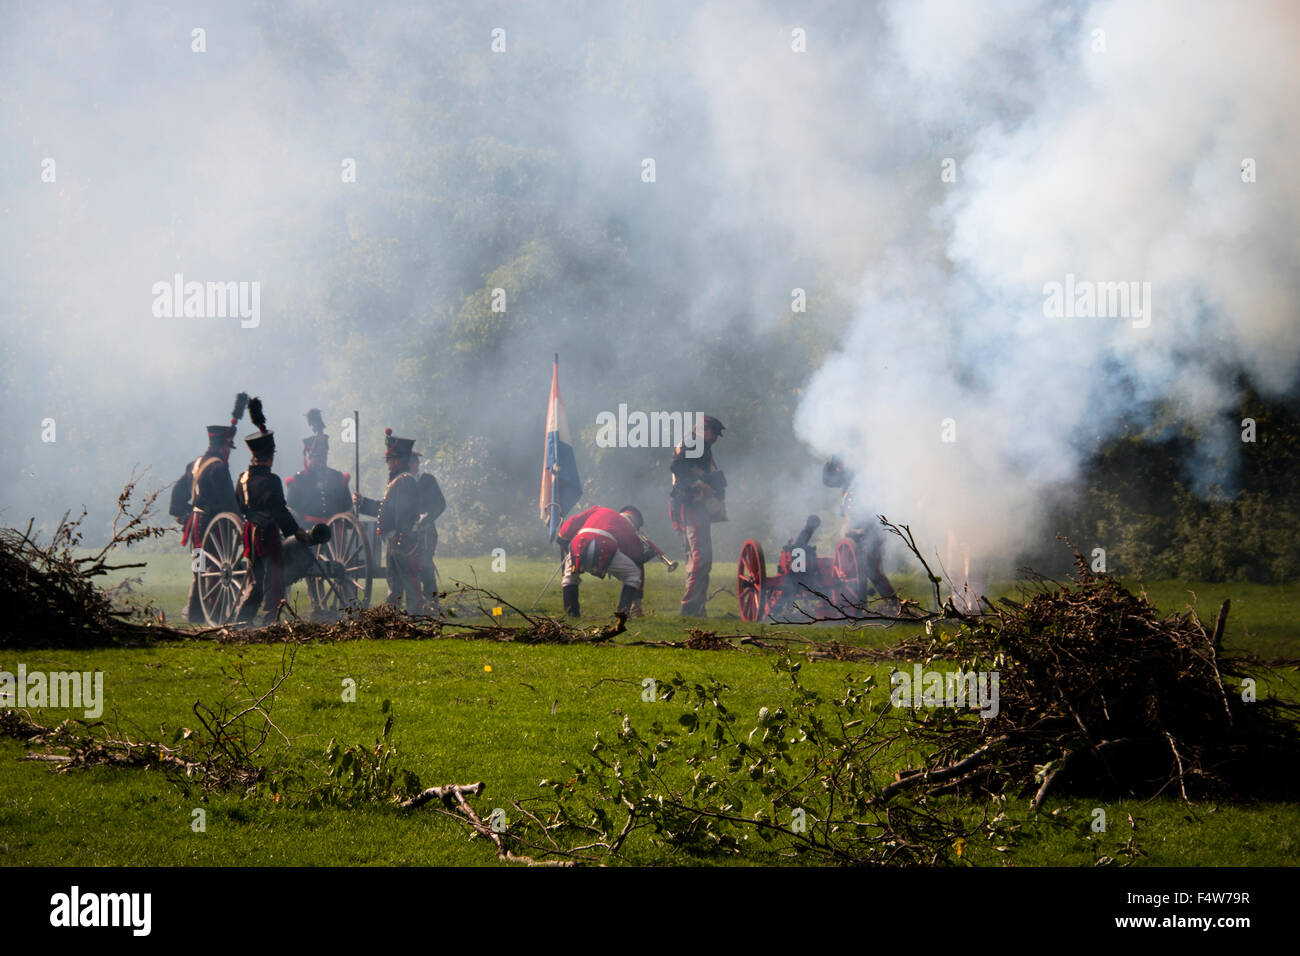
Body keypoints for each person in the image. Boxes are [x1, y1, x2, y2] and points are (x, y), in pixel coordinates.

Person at [233, 398, 313, 625]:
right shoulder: (271, 480)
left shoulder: (242, 478)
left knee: (258, 581)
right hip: (266, 534)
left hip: (249, 533)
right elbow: (279, 511)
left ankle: (244, 620)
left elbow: (240, 506)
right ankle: (270, 620)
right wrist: (297, 533)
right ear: (270, 455)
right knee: (273, 580)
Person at [169, 393, 244, 623]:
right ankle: (213, 611)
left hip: (196, 526)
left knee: (199, 566)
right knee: (216, 567)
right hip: (215, 526)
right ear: (224, 447)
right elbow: (228, 501)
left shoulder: (196, 463)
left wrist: (181, 513)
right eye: (228, 448)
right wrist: (240, 519)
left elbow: (178, 491)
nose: (229, 452)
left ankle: (195, 612)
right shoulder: (219, 468)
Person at [354, 429, 425, 614]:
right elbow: (386, 510)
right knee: (394, 580)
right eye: (389, 459)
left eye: (393, 459)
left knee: (409, 579)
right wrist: (363, 504)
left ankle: (415, 615)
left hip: (403, 540)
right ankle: (393, 616)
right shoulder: (398, 481)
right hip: (395, 539)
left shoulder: (405, 481)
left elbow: (403, 512)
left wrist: (401, 536)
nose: (390, 463)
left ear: (401, 460)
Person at [822, 456, 898, 609]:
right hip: (857, 534)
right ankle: (859, 607)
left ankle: (895, 605)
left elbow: (862, 512)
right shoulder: (850, 483)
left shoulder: (860, 481)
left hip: (870, 533)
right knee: (858, 572)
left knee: (872, 571)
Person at [669, 415, 726, 617]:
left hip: (696, 506)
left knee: (702, 560)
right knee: (700, 559)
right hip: (690, 506)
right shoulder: (692, 443)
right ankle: (689, 608)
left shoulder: (700, 446)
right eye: (713, 433)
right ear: (703, 429)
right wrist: (698, 484)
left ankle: (698, 608)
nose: (715, 438)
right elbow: (677, 467)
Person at [556, 505, 656, 618]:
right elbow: (635, 556)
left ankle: (572, 614)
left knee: (569, 577)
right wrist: (647, 555)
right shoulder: (627, 524)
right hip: (605, 545)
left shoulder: (598, 509)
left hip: (579, 541)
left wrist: (563, 538)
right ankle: (622, 614)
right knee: (633, 575)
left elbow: (573, 521)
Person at [286, 408, 352, 522]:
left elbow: (347, 507)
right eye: (317, 456)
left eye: (323, 456)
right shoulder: (299, 479)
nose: (321, 459)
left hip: (334, 532)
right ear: (310, 457)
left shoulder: (337, 477)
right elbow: (292, 511)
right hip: (308, 533)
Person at [410, 451, 446, 613]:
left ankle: (432, 602)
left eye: (414, 462)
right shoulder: (400, 482)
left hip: (426, 532)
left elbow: (440, 504)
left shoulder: (428, 480)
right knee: (410, 569)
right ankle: (415, 603)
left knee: (426, 566)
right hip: (407, 534)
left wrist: (426, 518)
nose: (413, 465)